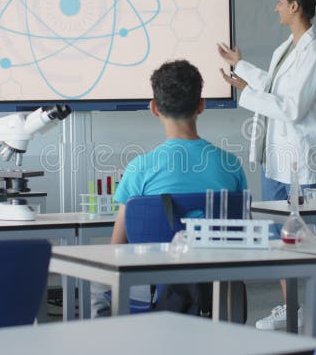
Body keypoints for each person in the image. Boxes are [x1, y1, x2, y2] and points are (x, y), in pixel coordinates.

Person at [217, 0, 316, 330]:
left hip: (298, 159)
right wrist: (240, 66)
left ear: (295, 6)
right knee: (278, 238)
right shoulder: (288, 47)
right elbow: (273, 84)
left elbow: (292, 108)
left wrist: (247, 94)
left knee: (310, 239)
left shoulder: (314, 52)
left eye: (279, 2)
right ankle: (291, 308)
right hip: (275, 160)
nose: (275, 8)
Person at [91, 60, 247, 316]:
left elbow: (117, 247)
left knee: (97, 283)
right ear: (201, 105)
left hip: (154, 294)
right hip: (217, 294)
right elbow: (241, 234)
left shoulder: (139, 169)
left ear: (154, 108)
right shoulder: (231, 165)